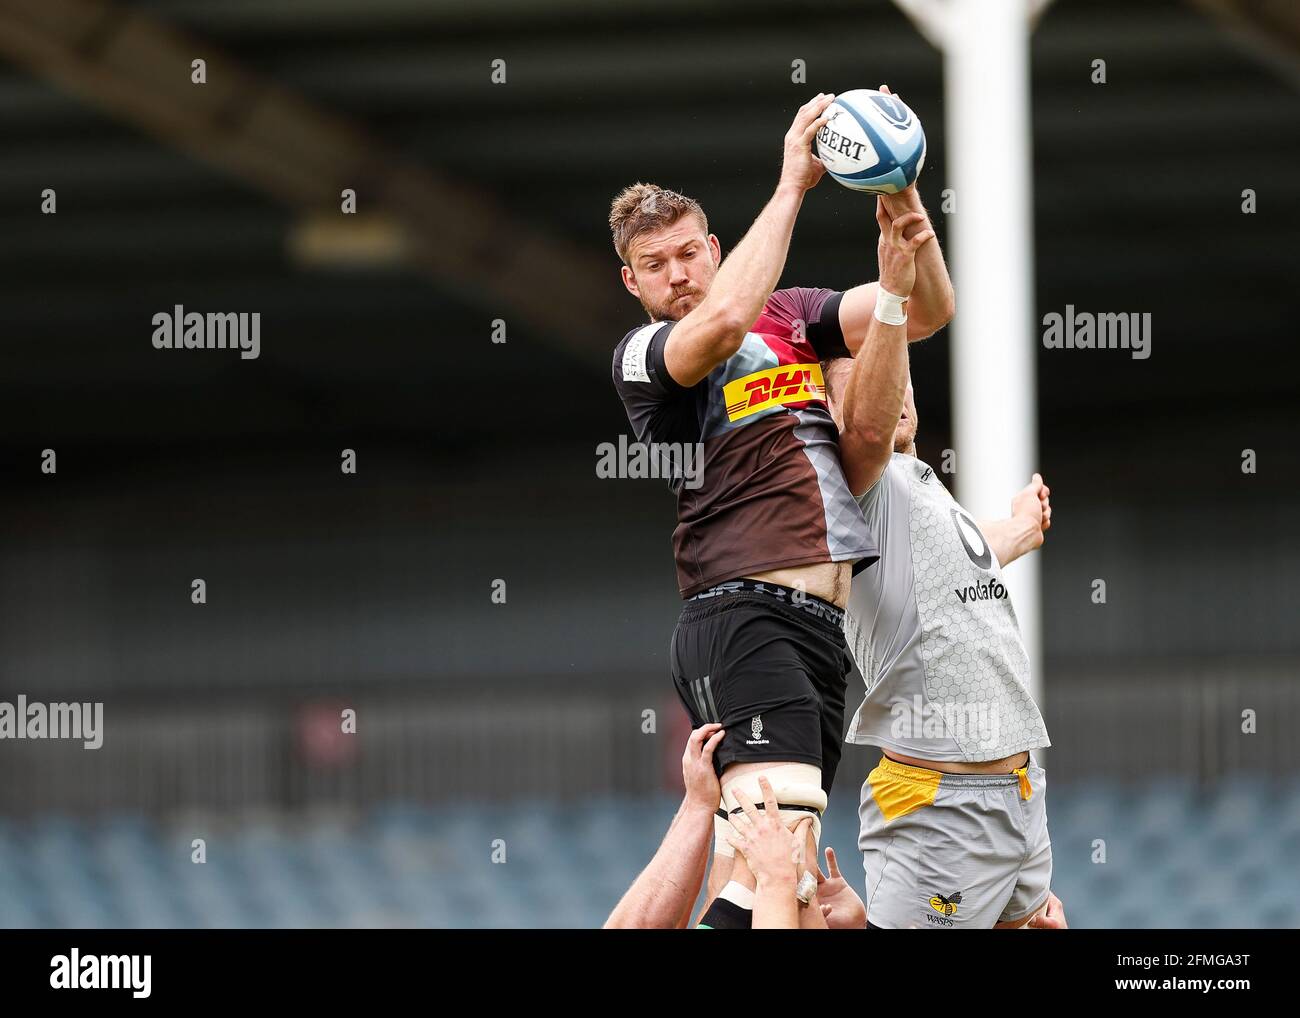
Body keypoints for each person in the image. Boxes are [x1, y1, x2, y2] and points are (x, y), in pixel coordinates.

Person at [609, 88, 954, 907]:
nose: (679, 276)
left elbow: (927, 313)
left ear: (714, 246)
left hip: (812, 633)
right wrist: (794, 183)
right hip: (745, 620)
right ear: (633, 283)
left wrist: (899, 196)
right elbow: (724, 323)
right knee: (781, 868)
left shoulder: (794, 314)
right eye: (656, 267)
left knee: (759, 879)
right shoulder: (646, 355)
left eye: (690, 254)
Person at [822, 197, 1056, 929]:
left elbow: (954, 566)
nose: (889, 387)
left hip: (1017, 797)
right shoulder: (853, 480)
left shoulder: (919, 490)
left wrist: (1014, 532)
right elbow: (868, 418)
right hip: (939, 805)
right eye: (858, 377)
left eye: (889, 371)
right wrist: (891, 290)